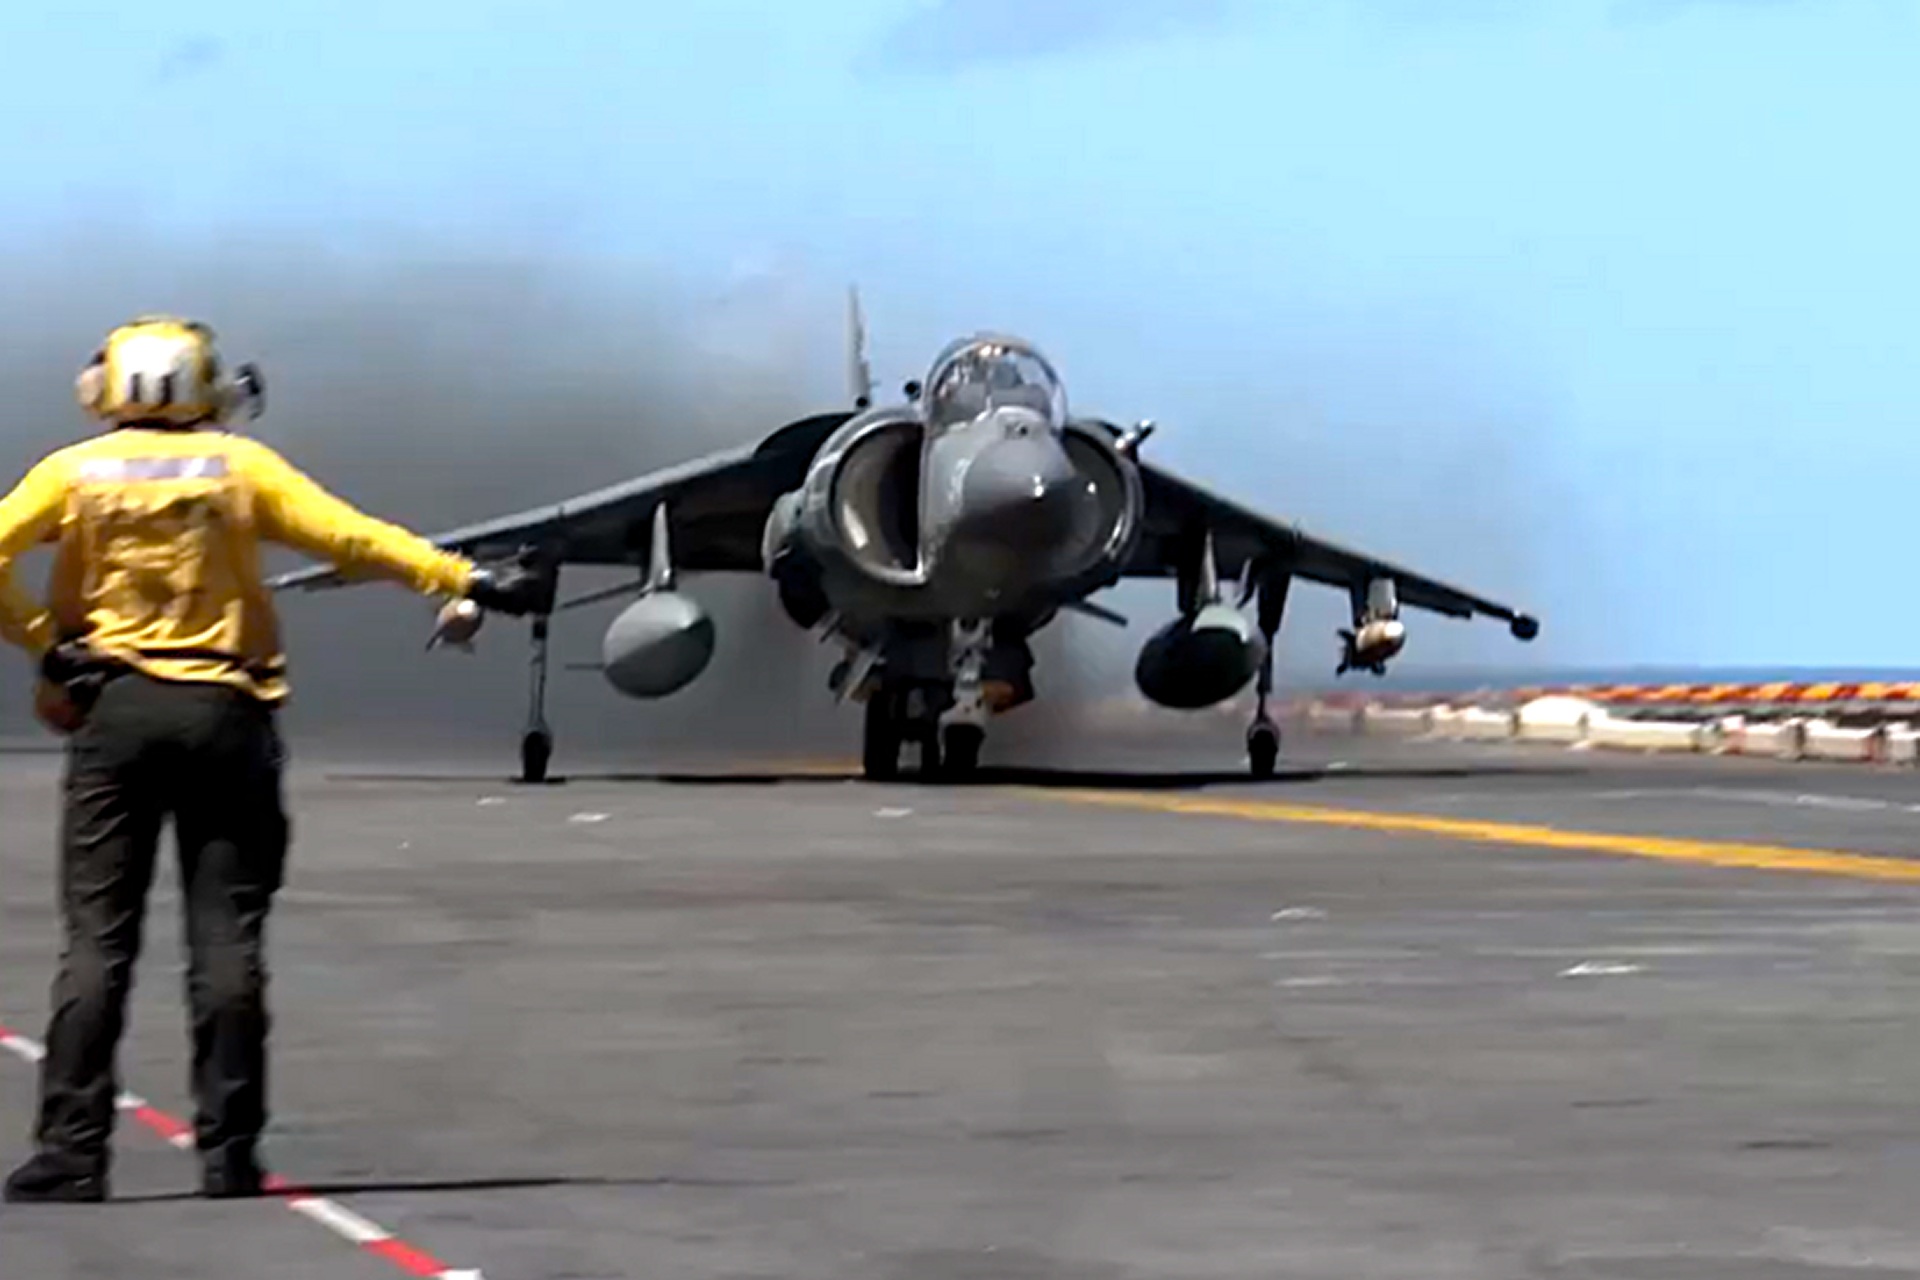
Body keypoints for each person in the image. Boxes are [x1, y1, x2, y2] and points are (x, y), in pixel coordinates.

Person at [0, 315, 543, 1203]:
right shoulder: (239, 468)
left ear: (107, 387)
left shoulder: (72, 474)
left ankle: (71, 1152)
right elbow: (351, 538)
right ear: (205, 386)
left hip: (113, 715)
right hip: (227, 714)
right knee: (226, 940)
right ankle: (229, 1152)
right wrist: (465, 578)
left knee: (96, 944)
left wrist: (44, 646)